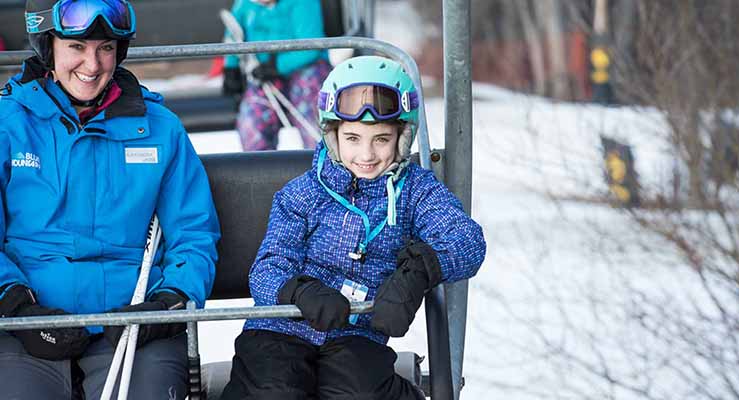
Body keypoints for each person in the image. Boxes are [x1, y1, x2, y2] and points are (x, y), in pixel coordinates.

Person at [220, 55, 487, 399]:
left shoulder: (416, 192)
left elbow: (466, 241)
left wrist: (419, 270)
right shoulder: (303, 193)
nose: (367, 154)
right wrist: (299, 291)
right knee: (274, 392)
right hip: (281, 329)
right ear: (332, 136)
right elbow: (266, 269)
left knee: (358, 394)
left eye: (381, 139)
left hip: (358, 334)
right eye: (353, 138)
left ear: (403, 138)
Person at [0, 1, 220, 399]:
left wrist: (168, 304)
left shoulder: (158, 129)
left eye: (105, 47)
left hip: (130, 321)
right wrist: (15, 306)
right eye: (77, 47)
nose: (93, 63)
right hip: (25, 321)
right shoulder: (9, 123)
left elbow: (194, 232)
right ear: (48, 46)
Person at [222, 0, 333, 151]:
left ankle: (320, 156)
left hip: (304, 68)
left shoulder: (304, 3)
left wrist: (277, 66)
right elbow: (234, 34)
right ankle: (260, 166)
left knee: (312, 110)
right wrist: (231, 67)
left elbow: (312, 46)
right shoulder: (245, 5)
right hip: (264, 75)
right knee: (252, 118)